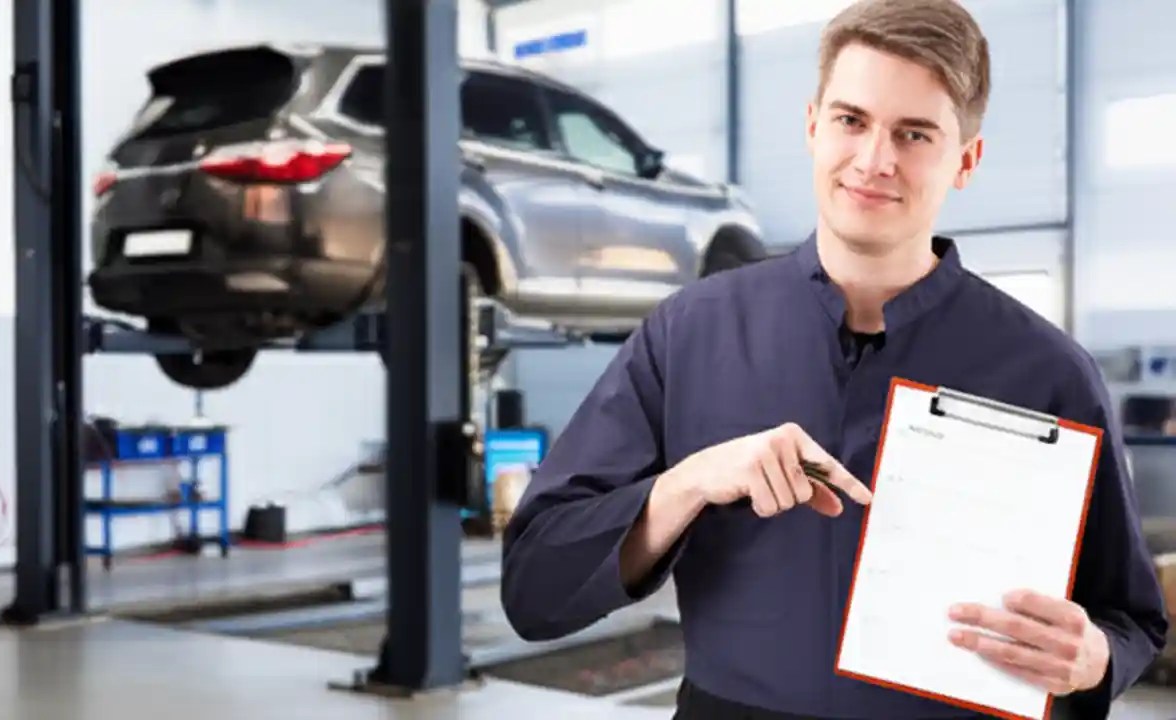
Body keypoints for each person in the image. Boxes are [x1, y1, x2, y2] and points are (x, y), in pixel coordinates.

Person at [499, 0, 1169, 718]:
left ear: (966, 160)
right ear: (813, 126)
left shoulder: (1049, 372)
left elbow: (1129, 619)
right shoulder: (688, 334)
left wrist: (1094, 656)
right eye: (852, 121)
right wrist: (688, 483)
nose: (875, 160)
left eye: (914, 134)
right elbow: (536, 585)